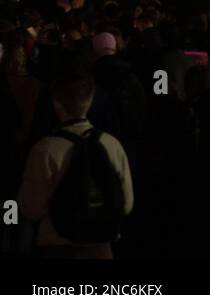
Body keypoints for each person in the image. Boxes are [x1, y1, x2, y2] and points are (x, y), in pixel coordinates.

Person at [17, 64, 133, 258]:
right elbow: (126, 203)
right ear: (90, 100)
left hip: (58, 246)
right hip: (100, 246)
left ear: (56, 103)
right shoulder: (111, 144)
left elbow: (31, 207)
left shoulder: (46, 149)